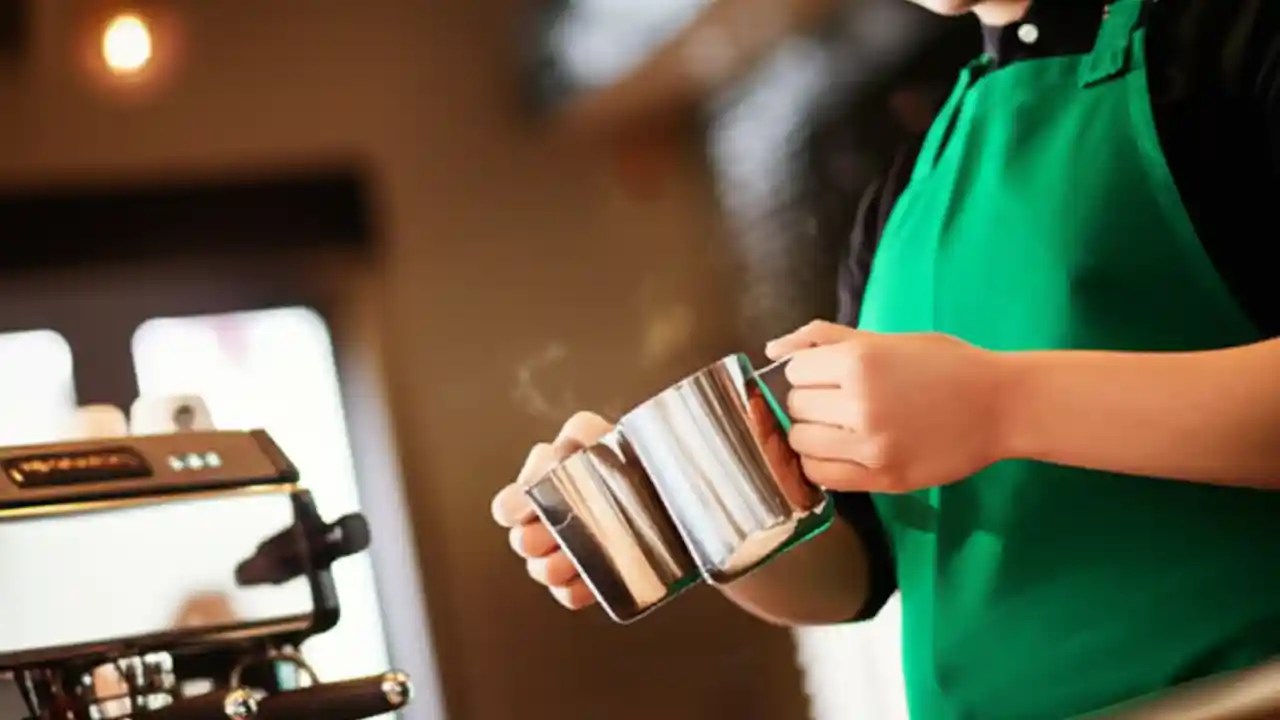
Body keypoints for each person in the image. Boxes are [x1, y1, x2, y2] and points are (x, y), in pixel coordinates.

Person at [491, 0, 1280, 717]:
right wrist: (685, 514)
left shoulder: (1234, 38)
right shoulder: (907, 185)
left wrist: (997, 405)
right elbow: (861, 570)